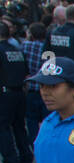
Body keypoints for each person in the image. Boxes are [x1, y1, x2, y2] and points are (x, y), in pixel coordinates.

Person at [0, 22, 29, 163]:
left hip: (5, 93)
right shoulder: (16, 50)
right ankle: (26, 159)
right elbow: (25, 71)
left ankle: (11, 162)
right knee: (19, 127)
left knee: (3, 128)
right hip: (19, 92)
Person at [22, 21, 47, 151]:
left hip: (31, 88)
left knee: (31, 120)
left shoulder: (25, 46)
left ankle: (34, 144)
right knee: (48, 120)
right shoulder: (48, 47)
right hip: (46, 88)